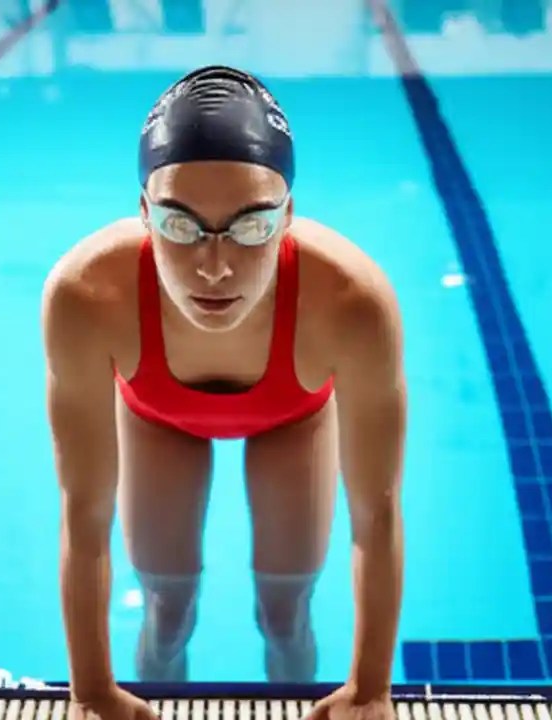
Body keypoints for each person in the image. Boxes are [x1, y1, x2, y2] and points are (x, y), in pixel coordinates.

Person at [41, 65, 406, 720]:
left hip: (293, 417)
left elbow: (375, 518)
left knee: (286, 611)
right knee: (166, 607)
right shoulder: (87, 296)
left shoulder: (352, 302)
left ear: (288, 214)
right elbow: (84, 515)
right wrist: (92, 695)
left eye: (251, 226)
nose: (215, 266)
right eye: (181, 227)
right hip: (158, 419)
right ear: (145, 213)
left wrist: (371, 693)